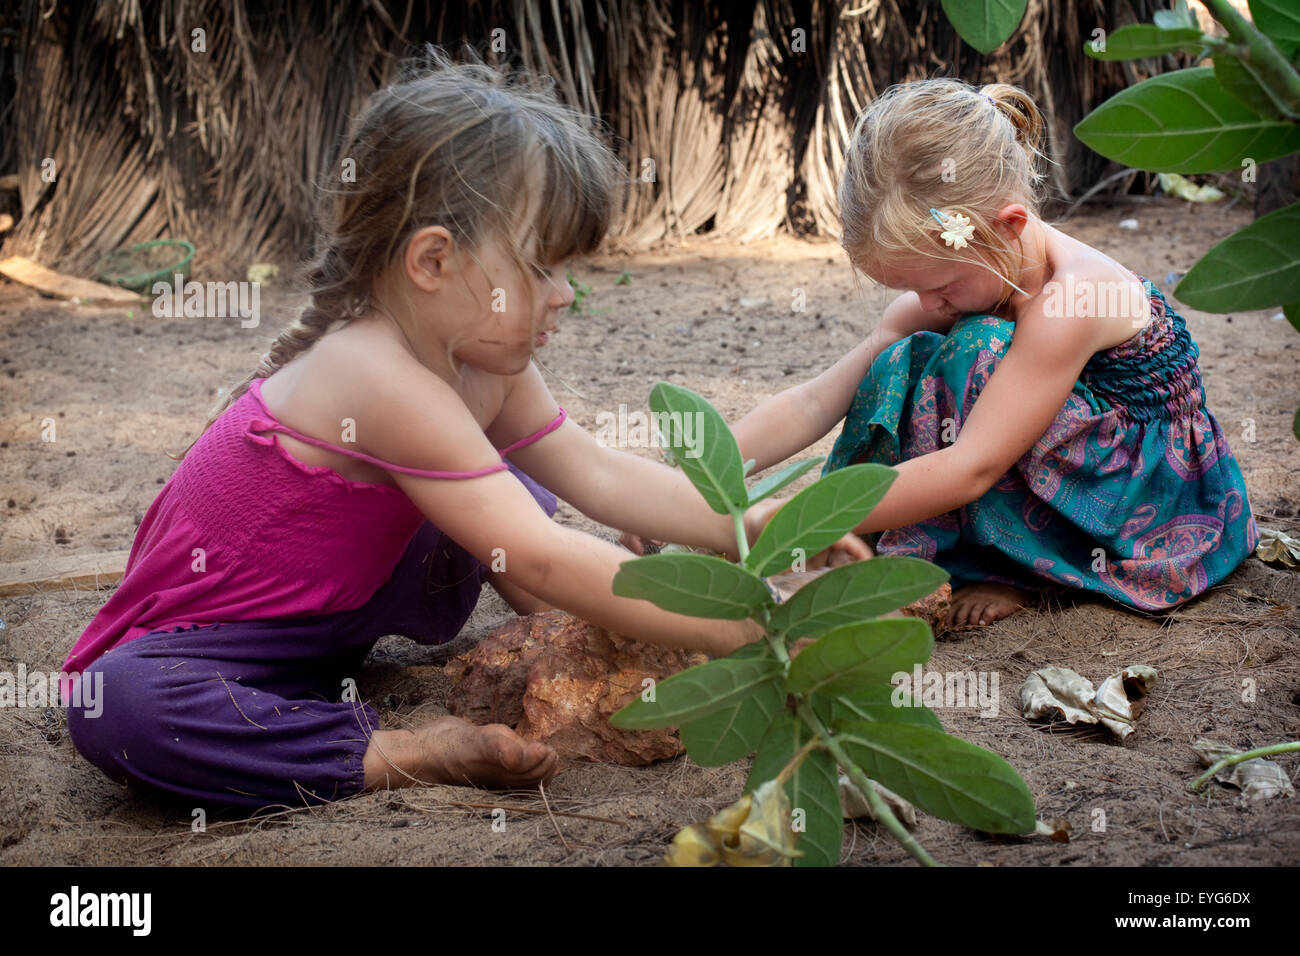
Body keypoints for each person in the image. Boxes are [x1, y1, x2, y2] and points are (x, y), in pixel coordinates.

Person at [61, 50, 868, 811]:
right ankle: (404, 753)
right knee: (118, 706)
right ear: (433, 261)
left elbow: (603, 474)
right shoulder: (369, 372)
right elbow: (544, 556)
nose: (564, 296)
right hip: (211, 650)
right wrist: (752, 627)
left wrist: (756, 530)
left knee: (519, 476)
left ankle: (554, 623)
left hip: (343, 618)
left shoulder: (486, 362)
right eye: (542, 268)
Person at [725, 79, 1258, 627]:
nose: (928, 303)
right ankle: (981, 556)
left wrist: (802, 519)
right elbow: (816, 401)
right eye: (911, 288)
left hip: (1136, 486)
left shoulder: (1069, 301)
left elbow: (971, 467)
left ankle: (1019, 572)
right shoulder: (967, 280)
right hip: (1039, 445)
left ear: (1008, 227)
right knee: (899, 356)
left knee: (975, 352)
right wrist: (705, 475)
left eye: (942, 285)